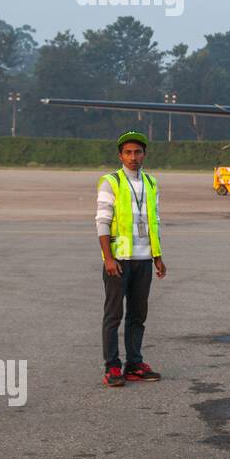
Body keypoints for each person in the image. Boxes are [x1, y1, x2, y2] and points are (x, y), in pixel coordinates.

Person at [97, 131, 166, 387]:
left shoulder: (150, 182)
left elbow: (154, 221)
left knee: (138, 315)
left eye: (138, 152)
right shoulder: (110, 181)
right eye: (128, 152)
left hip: (144, 259)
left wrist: (157, 256)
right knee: (113, 315)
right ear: (120, 155)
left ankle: (134, 364)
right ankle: (112, 367)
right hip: (119, 260)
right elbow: (102, 222)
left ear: (144, 154)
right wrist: (108, 258)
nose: (133, 157)